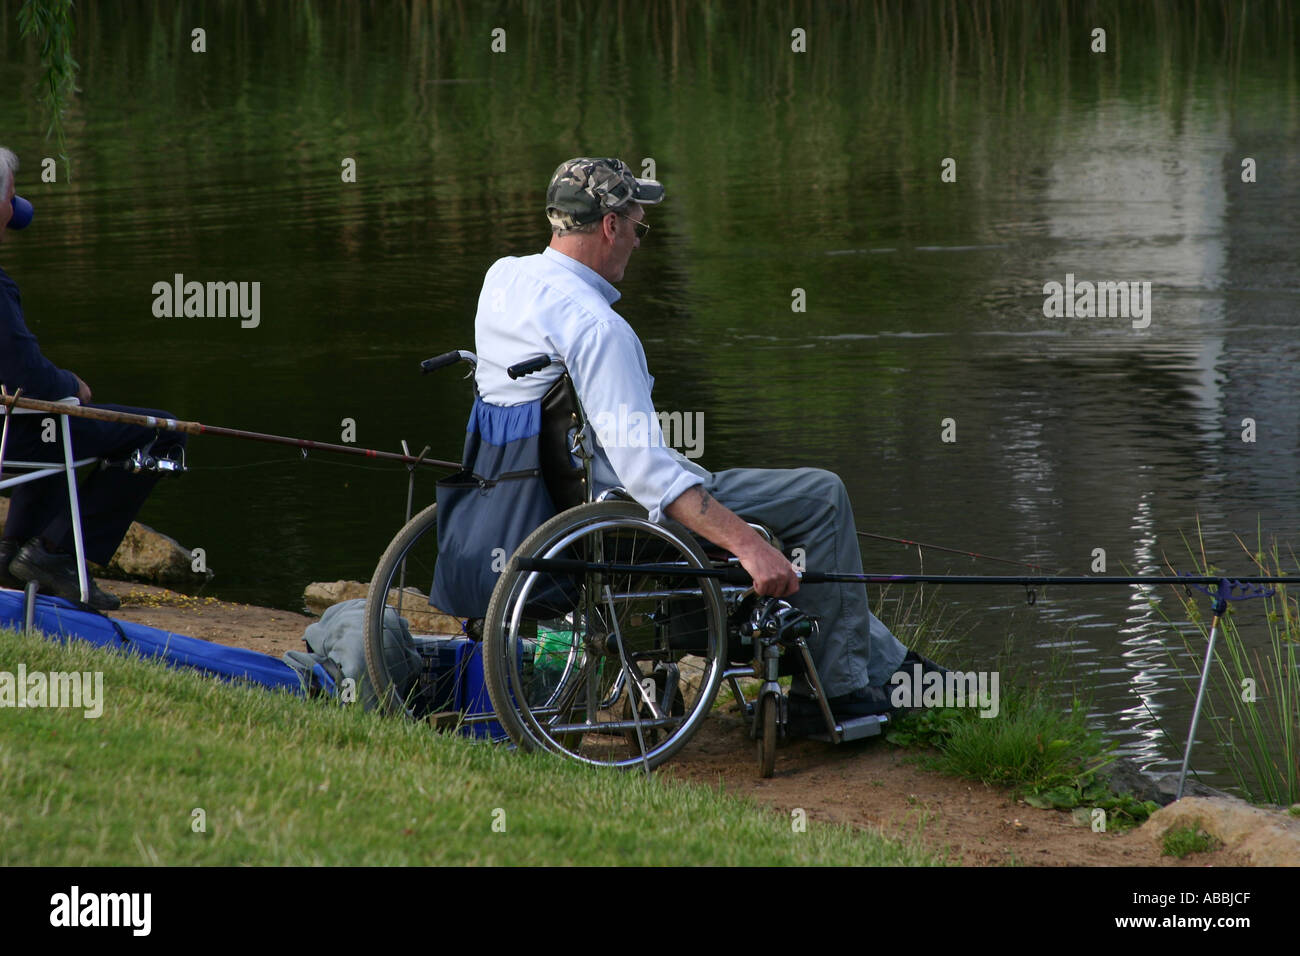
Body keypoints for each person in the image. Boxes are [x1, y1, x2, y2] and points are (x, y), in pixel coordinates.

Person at [472, 157, 932, 727]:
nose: (639, 244)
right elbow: (648, 475)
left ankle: (907, 671)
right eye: (639, 228)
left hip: (526, 499)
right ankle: (837, 697)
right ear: (611, 227)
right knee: (821, 497)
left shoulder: (504, 278)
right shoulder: (598, 328)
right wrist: (748, 545)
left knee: (751, 507)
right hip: (619, 517)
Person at [0, 146, 186, 611]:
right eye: (11, 195)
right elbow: (31, 379)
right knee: (162, 435)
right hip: (8, 435)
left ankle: (11, 554)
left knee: (55, 417)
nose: (15, 203)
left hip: (16, 426)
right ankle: (54, 554)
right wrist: (72, 384)